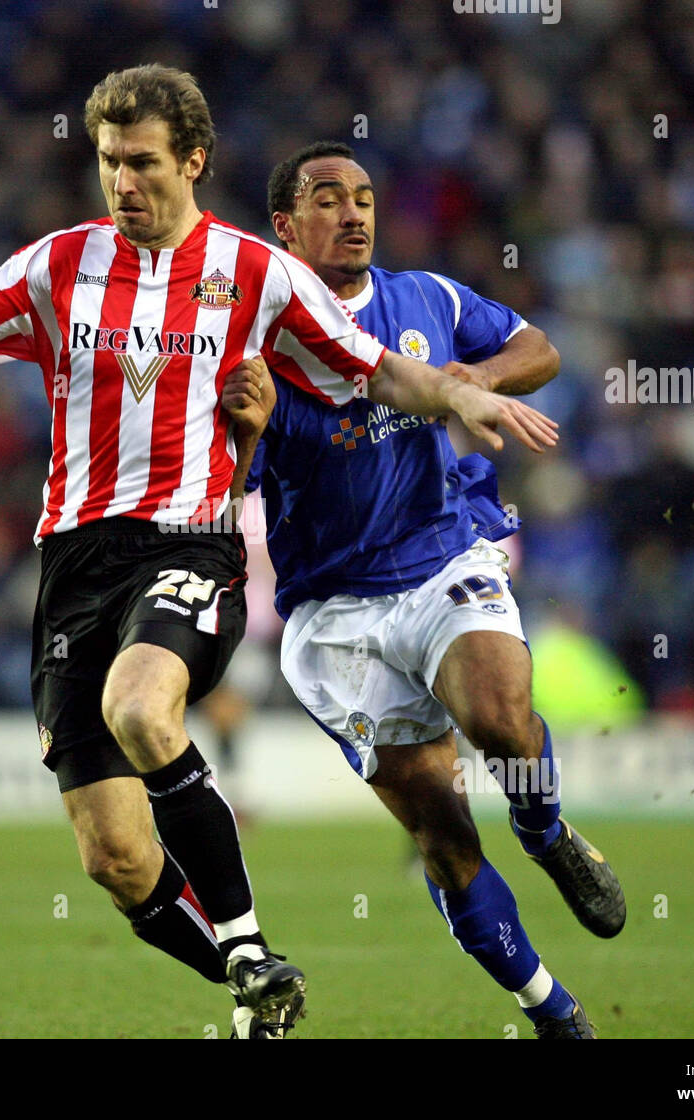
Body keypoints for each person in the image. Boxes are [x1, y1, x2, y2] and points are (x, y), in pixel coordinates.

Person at [0, 67, 558, 1037]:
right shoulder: (56, 266)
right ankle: (254, 979)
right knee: (114, 860)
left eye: (142, 162)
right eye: (109, 162)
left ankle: (245, 944)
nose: (121, 181)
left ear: (192, 160)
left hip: (189, 543)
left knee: (137, 706)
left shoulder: (255, 272)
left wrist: (461, 394)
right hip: (73, 562)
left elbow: (370, 370)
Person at [223, 141, 624, 1039]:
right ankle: (552, 1012)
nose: (355, 213)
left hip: (443, 555)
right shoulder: (256, 344)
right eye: (329, 200)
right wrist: (246, 434)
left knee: (502, 720)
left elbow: (540, 347)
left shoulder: (430, 301)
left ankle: (548, 831)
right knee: (441, 836)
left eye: (365, 196)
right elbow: (229, 487)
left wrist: (466, 384)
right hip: (334, 615)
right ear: (285, 228)